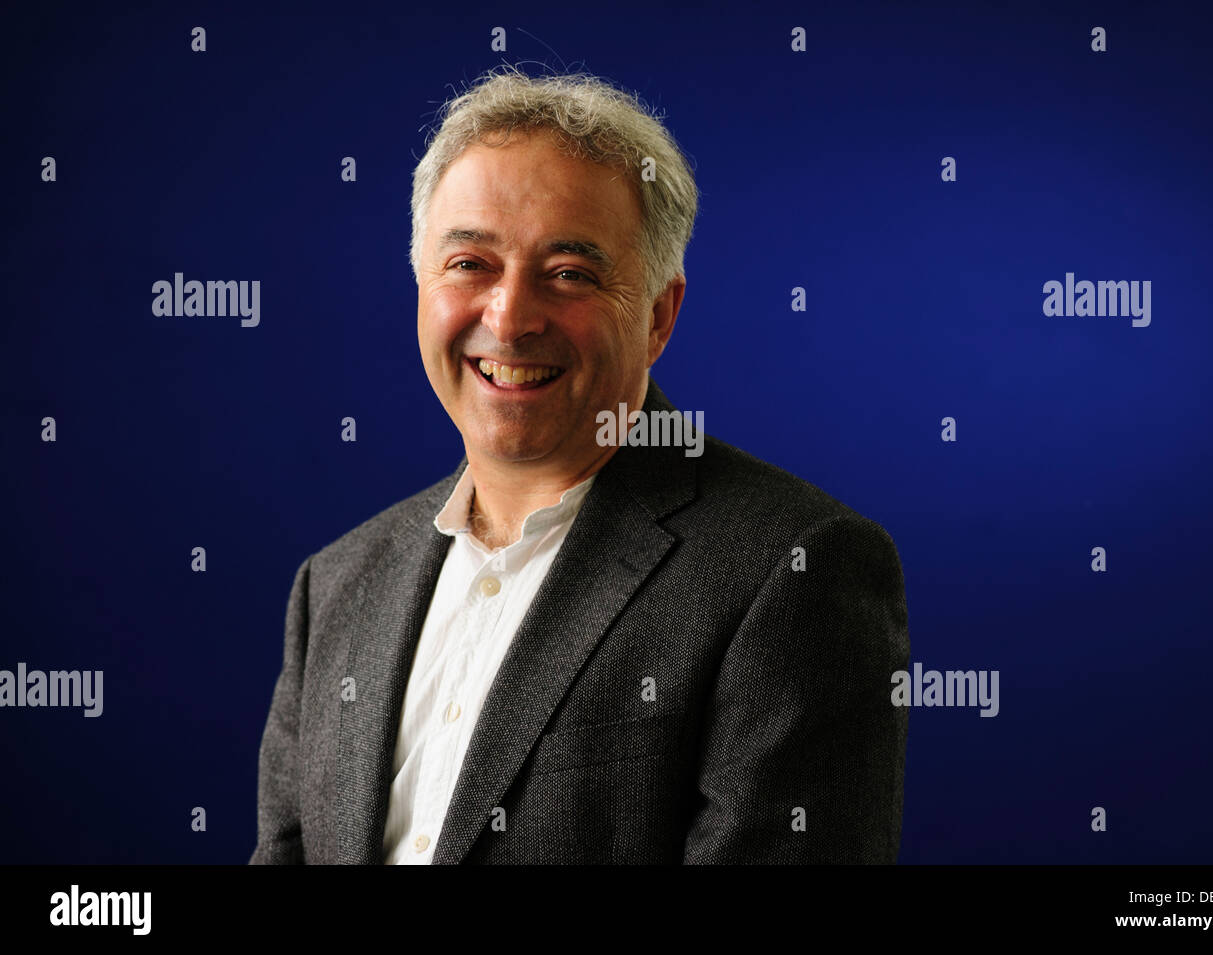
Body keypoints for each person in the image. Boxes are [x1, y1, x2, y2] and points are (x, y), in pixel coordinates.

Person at [250, 65, 909, 864]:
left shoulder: (796, 571)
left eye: (569, 274)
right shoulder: (336, 587)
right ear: (423, 285)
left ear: (659, 316)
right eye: (470, 264)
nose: (511, 316)